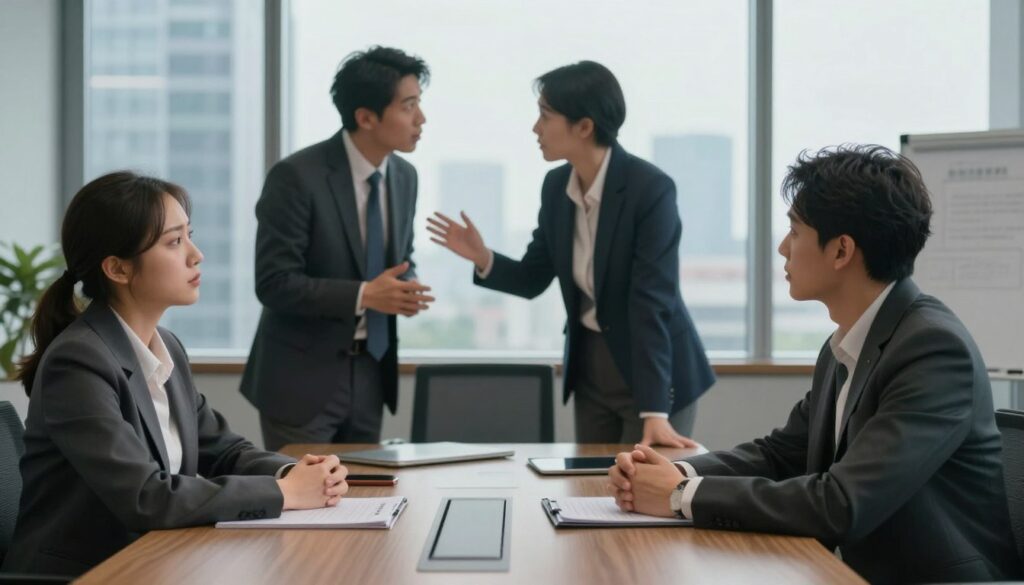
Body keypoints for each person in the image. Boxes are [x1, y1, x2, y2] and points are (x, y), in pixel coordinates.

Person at [608, 145, 1021, 583]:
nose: (784, 248)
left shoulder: (933, 350)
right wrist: (679, 471)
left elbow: (841, 503)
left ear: (841, 250)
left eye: (796, 231)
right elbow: (782, 453)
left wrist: (680, 495)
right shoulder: (848, 341)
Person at [2, 172, 348, 577]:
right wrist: (284, 493)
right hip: (91, 573)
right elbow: (147, 496)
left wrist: (295, 473)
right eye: (174, 241)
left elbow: (223, 450)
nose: (196, 254)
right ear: (117, 269)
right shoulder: (78, 362)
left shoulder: (165, 347)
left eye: (189, 235)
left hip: (157, 559)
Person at [429, 61, 714, 446]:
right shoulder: (556, 186)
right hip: (592, 368)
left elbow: (651, 302)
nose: (535, 128)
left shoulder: (650, 190)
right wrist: (483, 257)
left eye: (545, 116)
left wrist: (654, 409)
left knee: (643, 495)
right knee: (590, 493)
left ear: (584, 126)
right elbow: (533, 277)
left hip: (654, 371)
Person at [241, 46, 434, 450]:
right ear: (365, 117)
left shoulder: (404, 176)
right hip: (301, 382)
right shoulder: (296, 176)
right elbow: (274, 282)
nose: (421, 119)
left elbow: (400, 257)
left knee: (368, 503)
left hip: (370, 373)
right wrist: (367, 295)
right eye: (409, 106)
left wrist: (405, 285)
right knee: (306, 507)